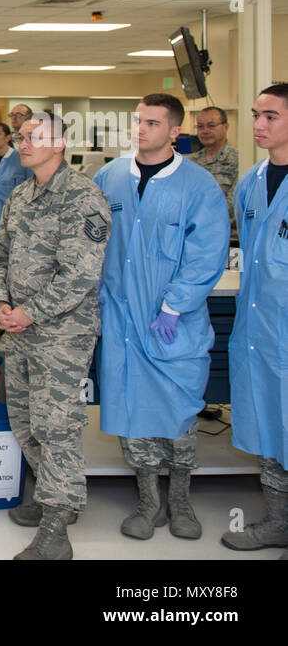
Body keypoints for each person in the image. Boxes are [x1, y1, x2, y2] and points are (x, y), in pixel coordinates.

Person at [94, 93, 229, 541]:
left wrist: (175, 305)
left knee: (179, 412)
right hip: (120, 320)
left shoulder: (198, 185)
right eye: (137, 121)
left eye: (152, 123)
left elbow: (207, 253)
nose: (140, 129)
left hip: (174, 322)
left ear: (174, 131)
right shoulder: (109, 178)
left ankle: (181, 500)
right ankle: (148, 499)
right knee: (132, 410)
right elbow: (91, 243)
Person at [0, 113, 111, 560]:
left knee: (55, 427)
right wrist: (1, 303)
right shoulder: (20, 195)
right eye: (21, 137)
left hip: (61, 336)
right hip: (17, 330)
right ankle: (57, 499)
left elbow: (80, 277)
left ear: (59, 143)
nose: (24, 143)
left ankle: (57, 530)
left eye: (34, 137)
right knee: (23, 420)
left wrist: (28, 313)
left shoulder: (83, 198)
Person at [222, 83, 288, 557]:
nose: (259, 126)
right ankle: (278, 521)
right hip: (260, 333)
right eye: (255, 116)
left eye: (271, 117)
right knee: (270, 427)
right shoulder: (249, 182)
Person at [189, 106, 241, 246]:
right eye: (200, 126)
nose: (205, 131)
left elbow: (233, 204)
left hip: (228, 240)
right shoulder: (190, 163)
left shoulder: (239, 161)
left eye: (211, 126)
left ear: (225, 127)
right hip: (194, 239)